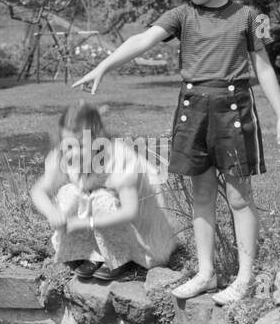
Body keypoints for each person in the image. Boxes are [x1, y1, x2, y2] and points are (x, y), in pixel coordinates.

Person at [73, 0, 280, 304]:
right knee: (202, 195)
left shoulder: (250, 17)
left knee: (240, 197)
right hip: (193, 110)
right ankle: (206, 274)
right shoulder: (181, 15)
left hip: (234, 110)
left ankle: (245, 278)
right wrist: (104, 66)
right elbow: (142, 40)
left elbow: (264, 67)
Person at [30, 99, 178, 283]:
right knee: (68, 193)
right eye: (68, 145)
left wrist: (85, 223)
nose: (74, 152)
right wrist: (52, 212)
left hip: (145, 235)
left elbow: (129, 211)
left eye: (81, 145)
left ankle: (123, 261)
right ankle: (92, 254)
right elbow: (38, 191)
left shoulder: (118, 158)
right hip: (112, 225)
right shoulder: (65, 157)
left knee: (102, 199)